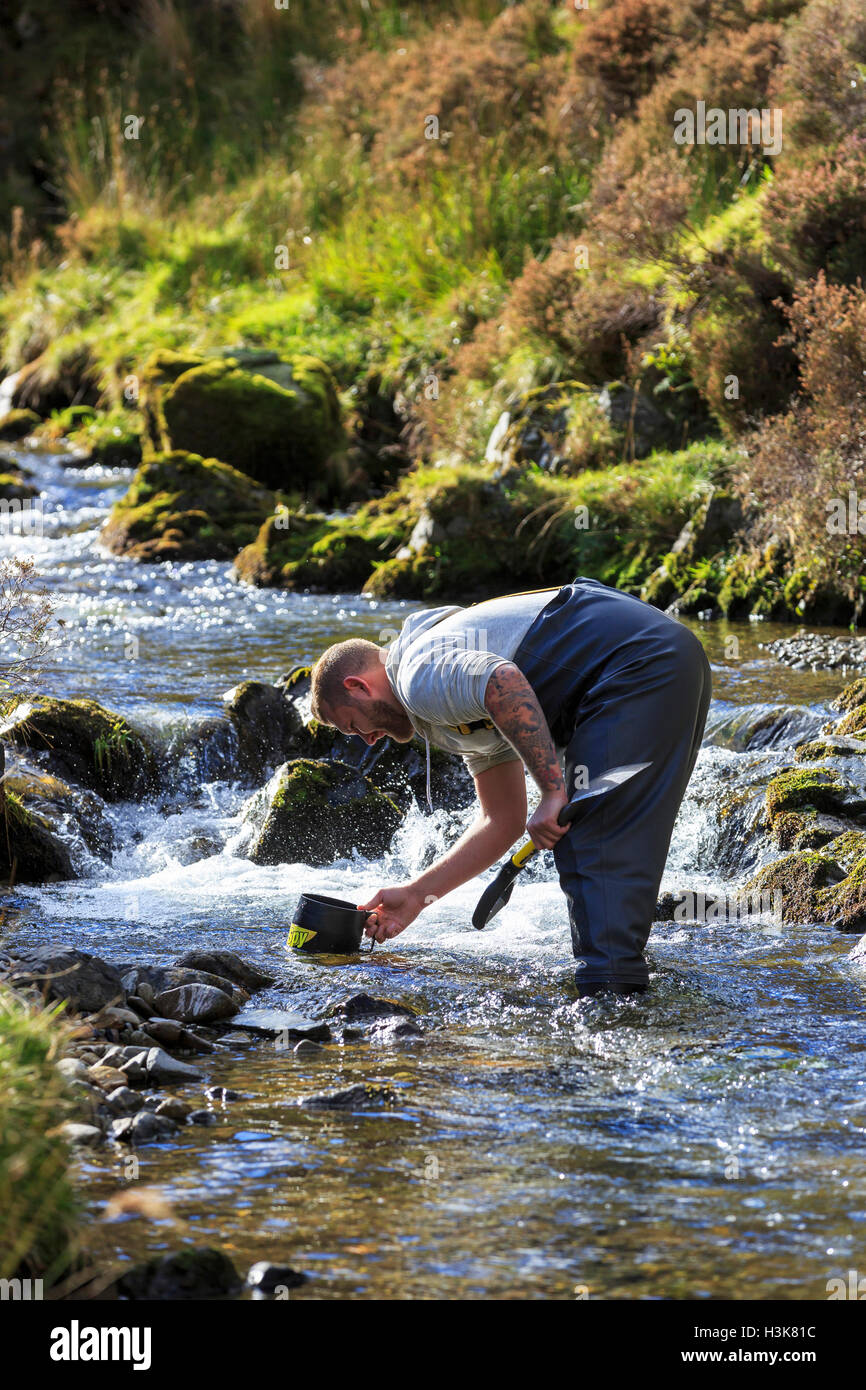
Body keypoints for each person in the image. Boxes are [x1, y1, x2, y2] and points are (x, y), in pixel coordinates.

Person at [308, 576, 712, 996]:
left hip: (633, 661)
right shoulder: (444, 707)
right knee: (609, 837)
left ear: (358, 686)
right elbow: (501, 820)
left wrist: (552, 790)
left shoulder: (418, 674)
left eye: (355, 726)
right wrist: (415, 896)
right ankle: (623, 995)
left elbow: (501, 680)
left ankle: (611, 1012)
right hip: (665, 656)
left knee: (590, 839)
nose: (368, 740)